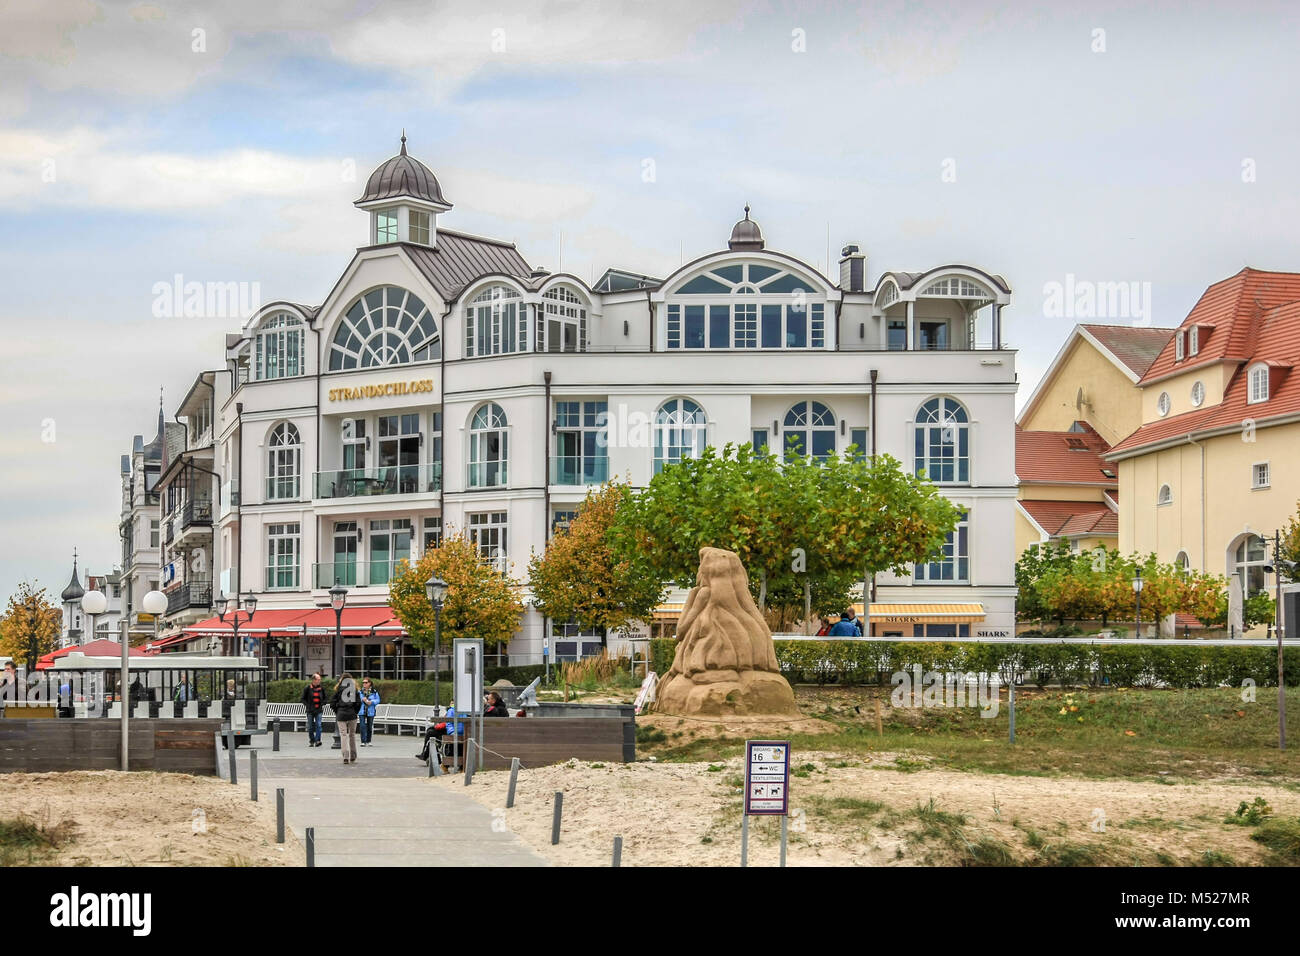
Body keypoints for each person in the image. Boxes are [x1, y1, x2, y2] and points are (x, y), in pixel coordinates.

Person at [416, 699, 463, 768]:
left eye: (452, 703)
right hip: (449, 730)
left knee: (430, 733)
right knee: (430, 731)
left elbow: (447, 723)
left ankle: (427, 755)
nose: (451, 704)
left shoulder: (452, 711)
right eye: (451, 703)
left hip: (449, 731)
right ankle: (427, 754)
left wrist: (437, 726)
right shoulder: (453, 710)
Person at [331, 672, 361, 765]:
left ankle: (345, 756)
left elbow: (332, 703)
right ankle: (353, 755)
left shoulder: (338, 690)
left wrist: (337, 711)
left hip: (341, 714)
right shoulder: (354, 690)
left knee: (343, 735)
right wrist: (355, 711)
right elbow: (358, 703)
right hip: (352, 714)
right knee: (352, 735)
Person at [301, 673, 326, 747]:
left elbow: (325, 698)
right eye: (318, 679)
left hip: (318, 710)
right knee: (310, 726)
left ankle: (318, 740)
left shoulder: (321, 688)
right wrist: (308, 705)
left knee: (319, 725)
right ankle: (312, 740)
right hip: (310, 710)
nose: (319, 681)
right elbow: (303, 699)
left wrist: (323, 703)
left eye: (320, 679)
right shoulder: (307, 688)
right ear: (314, 680)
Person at [358, 677, 380, 747]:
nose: (364, 684)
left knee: (369, 726)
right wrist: (362, 700)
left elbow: (378, 700)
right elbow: (356, 700)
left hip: (370, 711)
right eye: (363, 682)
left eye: (366, 682)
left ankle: (368, 740)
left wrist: (371, 702)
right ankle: (363, 741)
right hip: (362, 711)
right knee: (362, 726)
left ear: (370, 683)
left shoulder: (374, 692)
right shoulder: (360, 691)